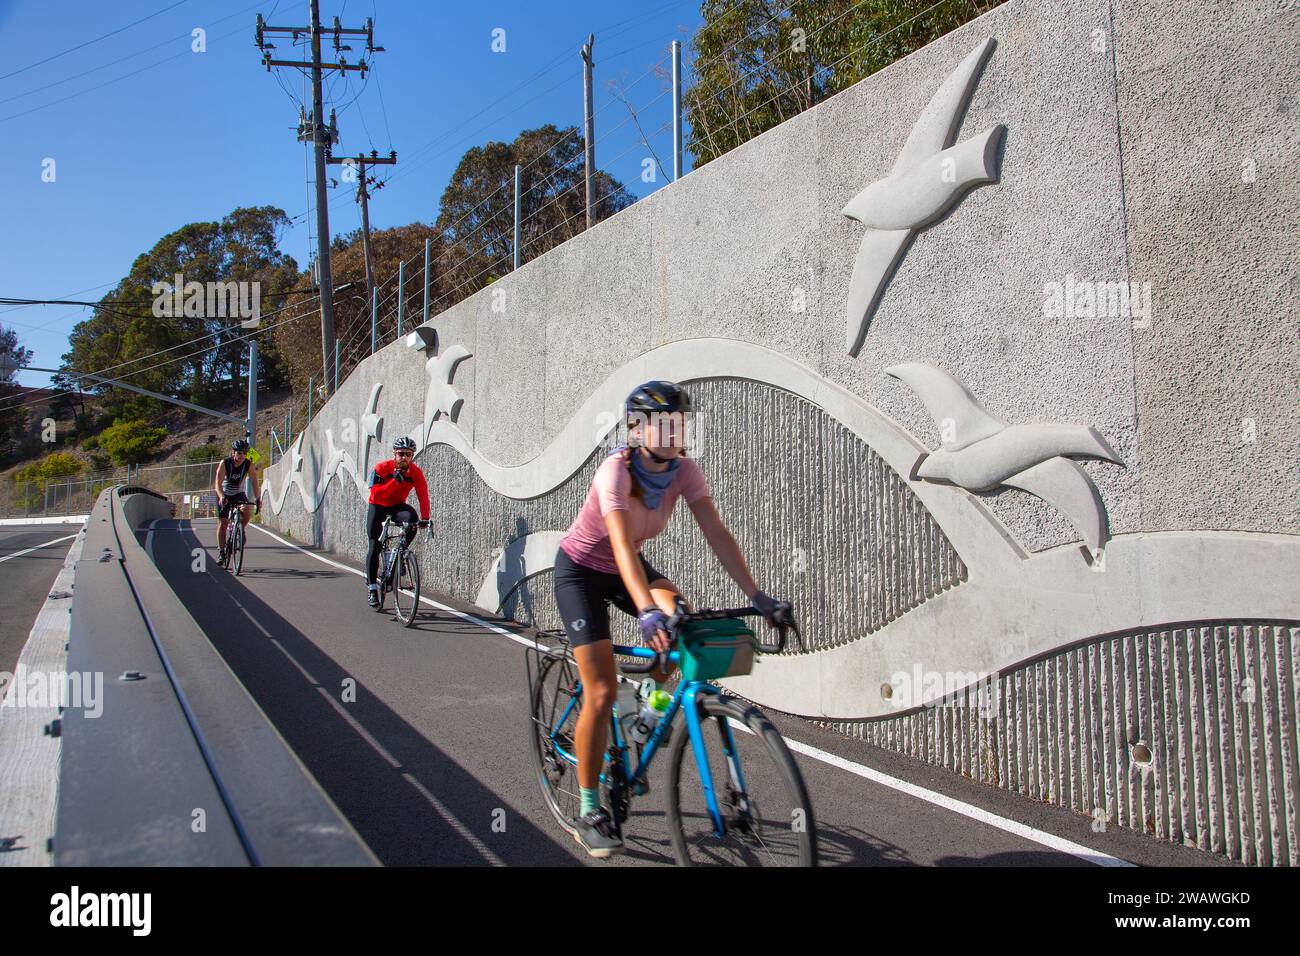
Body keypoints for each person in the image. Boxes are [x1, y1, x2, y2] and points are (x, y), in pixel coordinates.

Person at [553, 380, 787, 858]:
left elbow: (716, 532)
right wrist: (643, 610)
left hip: (628, 568)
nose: (675, 431)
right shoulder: (615, 472)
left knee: (684, 619)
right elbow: (618, 545)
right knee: (598, 689)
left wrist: (758, 596)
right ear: (637, 430)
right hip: (581, 570)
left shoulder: (684, 471)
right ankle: (590, 809)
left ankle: (649, 703)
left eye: (680, 422)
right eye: (665, 423)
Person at [366, 436, 431, 606]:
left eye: (408, 455)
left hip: (396, 506)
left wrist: (425, 518)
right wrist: (395, 481)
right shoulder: (381, 468)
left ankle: (400, 553)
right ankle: (372, 588)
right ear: (394, 454)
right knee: (374, 546)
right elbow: (377, 494)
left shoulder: (415, 472)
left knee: (412, 519)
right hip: (377, 506)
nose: (404, 457)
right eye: (401, 454)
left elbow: (423, 494)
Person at [215, 438, 260, 564]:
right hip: (224, 493)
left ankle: (241, 529)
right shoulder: (225, 463)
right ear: (233, 452)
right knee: (223, 523)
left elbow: (254, 482)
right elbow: (217, 483)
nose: (242, 456)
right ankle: (222, 552)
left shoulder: (248, 464)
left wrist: (258, 498)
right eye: (239, 453)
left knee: (246, 509)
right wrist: (221, 496)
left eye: (245, 453)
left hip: (238, 493)